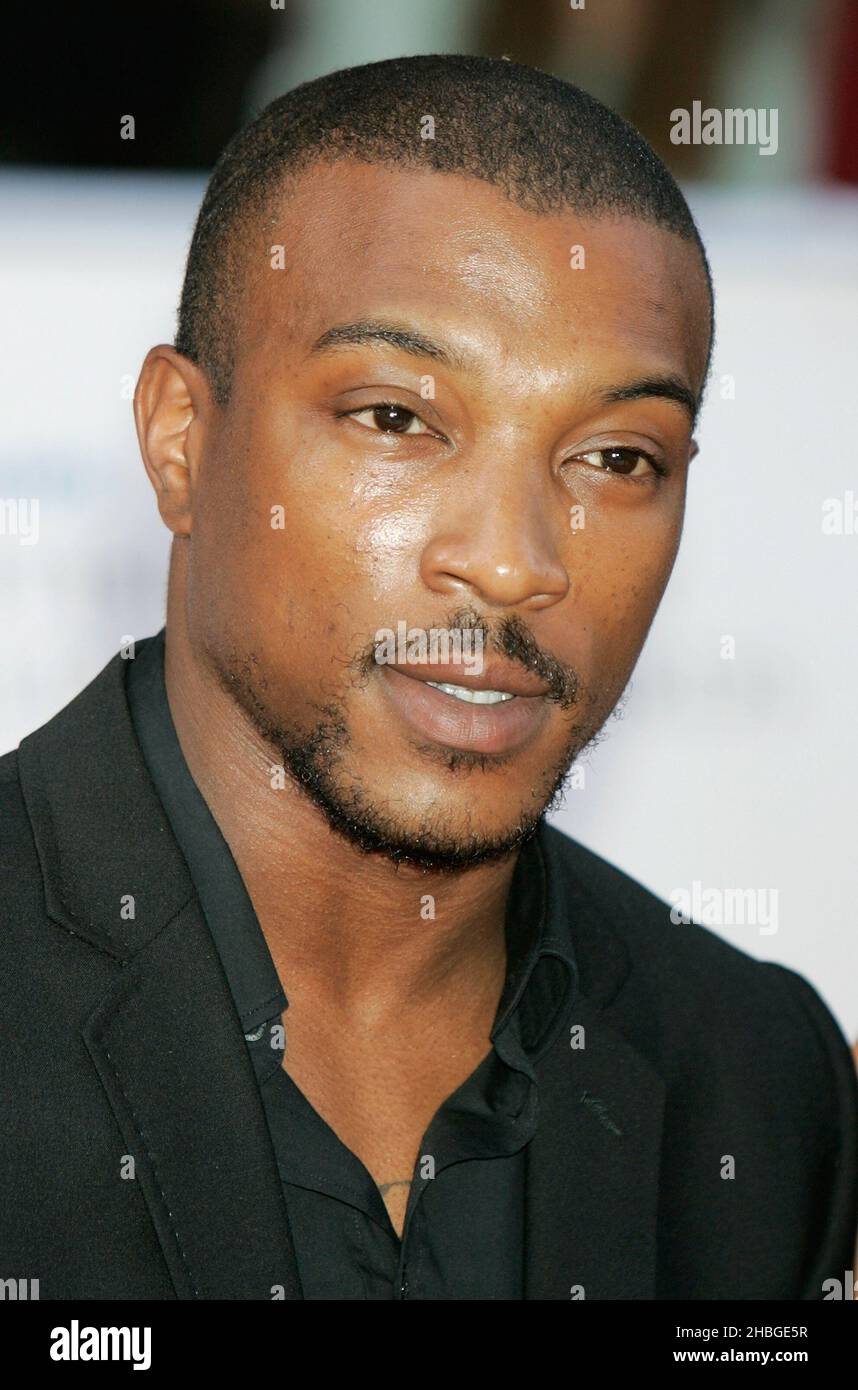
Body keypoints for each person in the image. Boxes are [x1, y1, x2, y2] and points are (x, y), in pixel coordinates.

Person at [1, 54, 855, 1301]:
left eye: (616, 455)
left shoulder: (759, 1083)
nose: (512, 562)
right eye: (398, 417)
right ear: (182, 440)